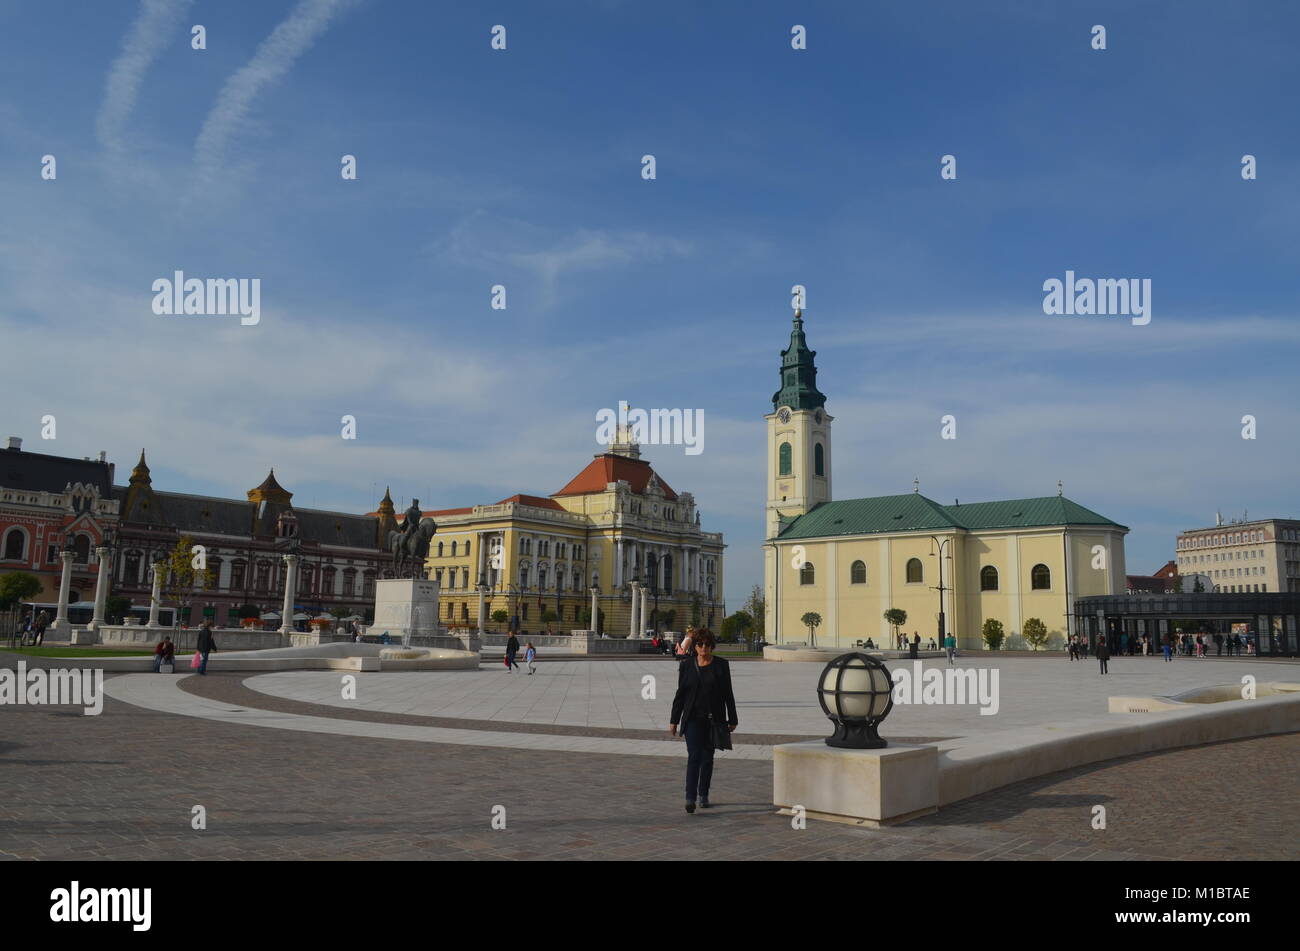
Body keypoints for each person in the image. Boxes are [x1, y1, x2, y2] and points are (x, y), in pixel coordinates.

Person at [669, 629, 737, 814]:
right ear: (695, 646)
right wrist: (674, 720)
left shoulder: (721, 665)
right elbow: (680, 694)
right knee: (694, 757)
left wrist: (732, 718)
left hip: (714, 720)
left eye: (707, 644)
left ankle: (703, 794)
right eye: (700, 644)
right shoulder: (687, 665)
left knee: (707, 759)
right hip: (692, 719)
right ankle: (690, 797)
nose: (704, 648)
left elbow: (727, 694)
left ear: (712, 646)